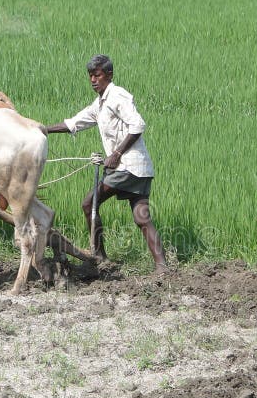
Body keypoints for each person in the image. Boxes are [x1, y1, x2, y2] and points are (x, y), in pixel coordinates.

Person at [45, 54, 168, 273]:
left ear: (109, 75)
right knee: (142, 218)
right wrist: (44, 129)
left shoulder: (117, 96)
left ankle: (99, 256)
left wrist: (117, 153)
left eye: (98, 75)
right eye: (90, 75)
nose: (93, 79)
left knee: (89, 203)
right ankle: (162, 266)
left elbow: (138, 125)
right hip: (139, 170)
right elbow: (75, 122)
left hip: (129, 166)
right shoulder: (100, 103)